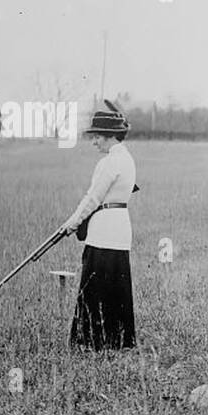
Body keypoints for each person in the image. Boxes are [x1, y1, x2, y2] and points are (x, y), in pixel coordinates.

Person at [61, 101, 137, 350]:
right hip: (120, 229)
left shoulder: (109, 163)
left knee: (95, 288)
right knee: (116, 288)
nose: (94, 142)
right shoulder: (126, 159)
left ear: (109, 136)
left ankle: (91, 342)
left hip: (104, 231)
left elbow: (92, 198)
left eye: (97, 137)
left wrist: (72, 223)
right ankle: (116, 341)